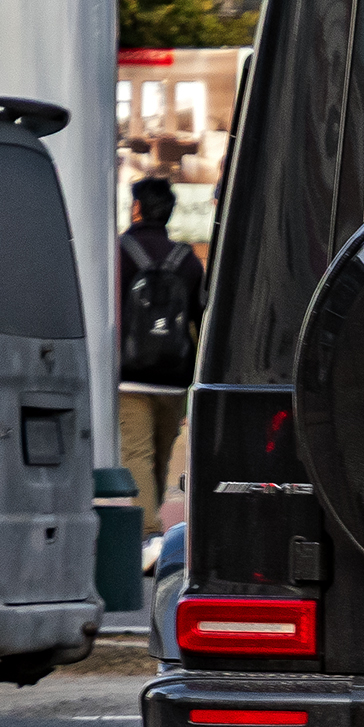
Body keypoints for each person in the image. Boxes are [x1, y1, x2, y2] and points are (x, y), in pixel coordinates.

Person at [118, 177, 205, 536]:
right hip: (174, 377)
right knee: (160, 454)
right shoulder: (186, 260)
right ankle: (150, 522)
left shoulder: (119, 251)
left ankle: (147, 530)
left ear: (137, 208)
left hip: (130, 374)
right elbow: (201, 316)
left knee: (136, 453)